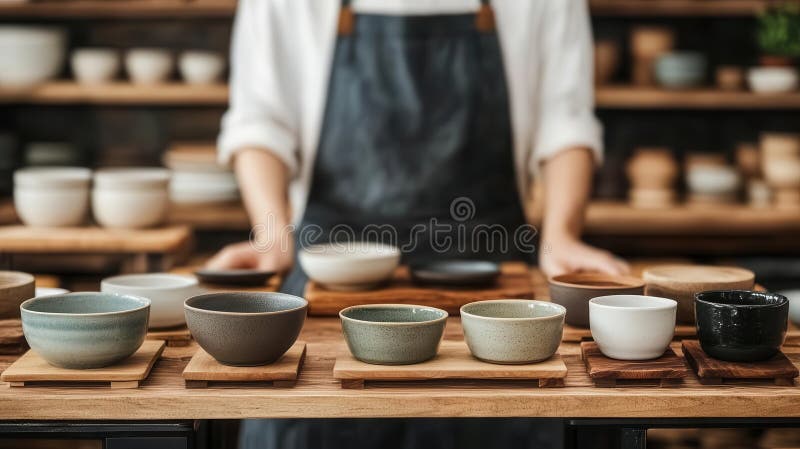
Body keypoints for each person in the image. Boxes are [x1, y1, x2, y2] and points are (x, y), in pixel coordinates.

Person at [208, 0, 629, 447]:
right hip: (330, 284)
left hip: (493, 285)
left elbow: (565, 121)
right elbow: (259, 123)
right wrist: (272, 231)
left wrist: (561, 233)